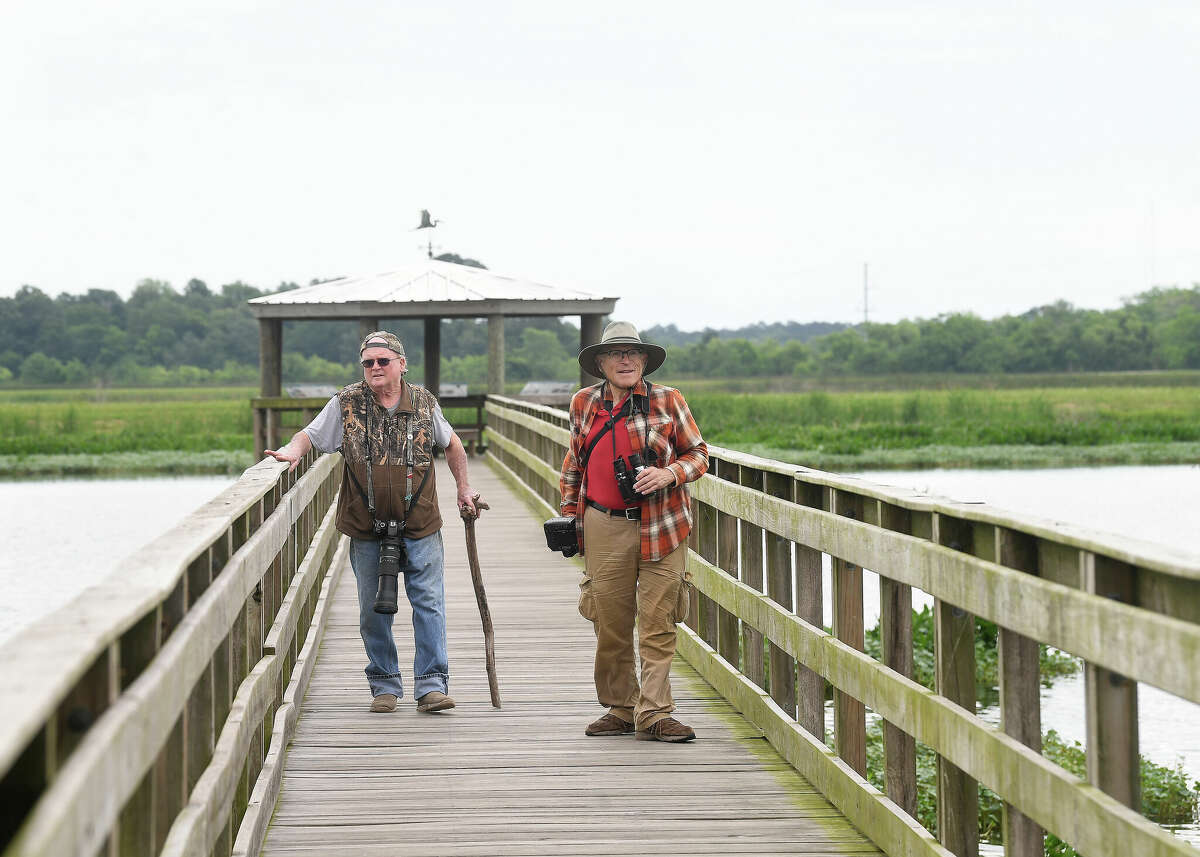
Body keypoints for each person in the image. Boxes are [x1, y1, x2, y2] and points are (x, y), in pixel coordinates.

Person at [265, 330, 477, 714]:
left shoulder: (424, 402)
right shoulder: (347, 403)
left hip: (421, 521)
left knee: (428, 602)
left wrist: (463, 490)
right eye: (368, 363)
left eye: (383, 361)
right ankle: (384, 684)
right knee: (371, 607)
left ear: (401, 364)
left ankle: (431, 685)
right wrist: (290, 453)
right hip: (366, 524)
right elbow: (310, 436)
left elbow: (453, 445)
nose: (375, 368)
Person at [559, 321, 708, 743]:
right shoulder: (583, 403)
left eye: (633, 353)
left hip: (662, 523)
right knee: (609, 620)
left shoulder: (668, 400)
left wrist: (669, 474)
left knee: (659, 621)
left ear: (644, 361)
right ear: (601, 363)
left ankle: (656, 713)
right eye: (616, 353)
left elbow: (699, 455)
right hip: (603, 523)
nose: (625, 360)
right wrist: (571, 514)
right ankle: (622, 707)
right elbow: (575, 462)